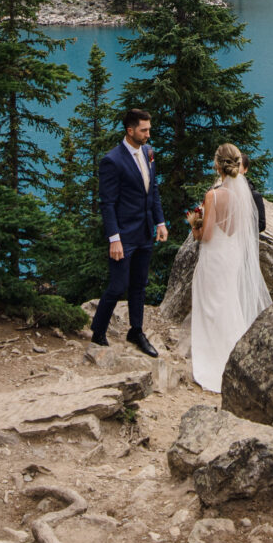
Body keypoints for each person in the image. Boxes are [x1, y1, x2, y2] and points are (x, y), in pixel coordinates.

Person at [187, 144, 272, 392]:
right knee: (228, 302)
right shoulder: (241, 195)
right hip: (231, 255)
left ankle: (214, 358)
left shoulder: (214, 195)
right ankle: (236, 356)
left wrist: (194, 225)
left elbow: (207, 235)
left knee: (210, 304)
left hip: (214, 256)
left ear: (217, 164)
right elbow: (234, 230)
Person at [93, 107, 167, 357]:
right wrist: (114, 239)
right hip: (124, 236)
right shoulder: (112, 160)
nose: (148, 134)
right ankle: (98, 332)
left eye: (149, 129)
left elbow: (153, 190)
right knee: (117, 286)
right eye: (144, 130)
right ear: (130, 130)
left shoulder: (148, 152)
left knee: (139, 285)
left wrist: (160, 222)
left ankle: (136, 330)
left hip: (145, 231)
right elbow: (108, 203)